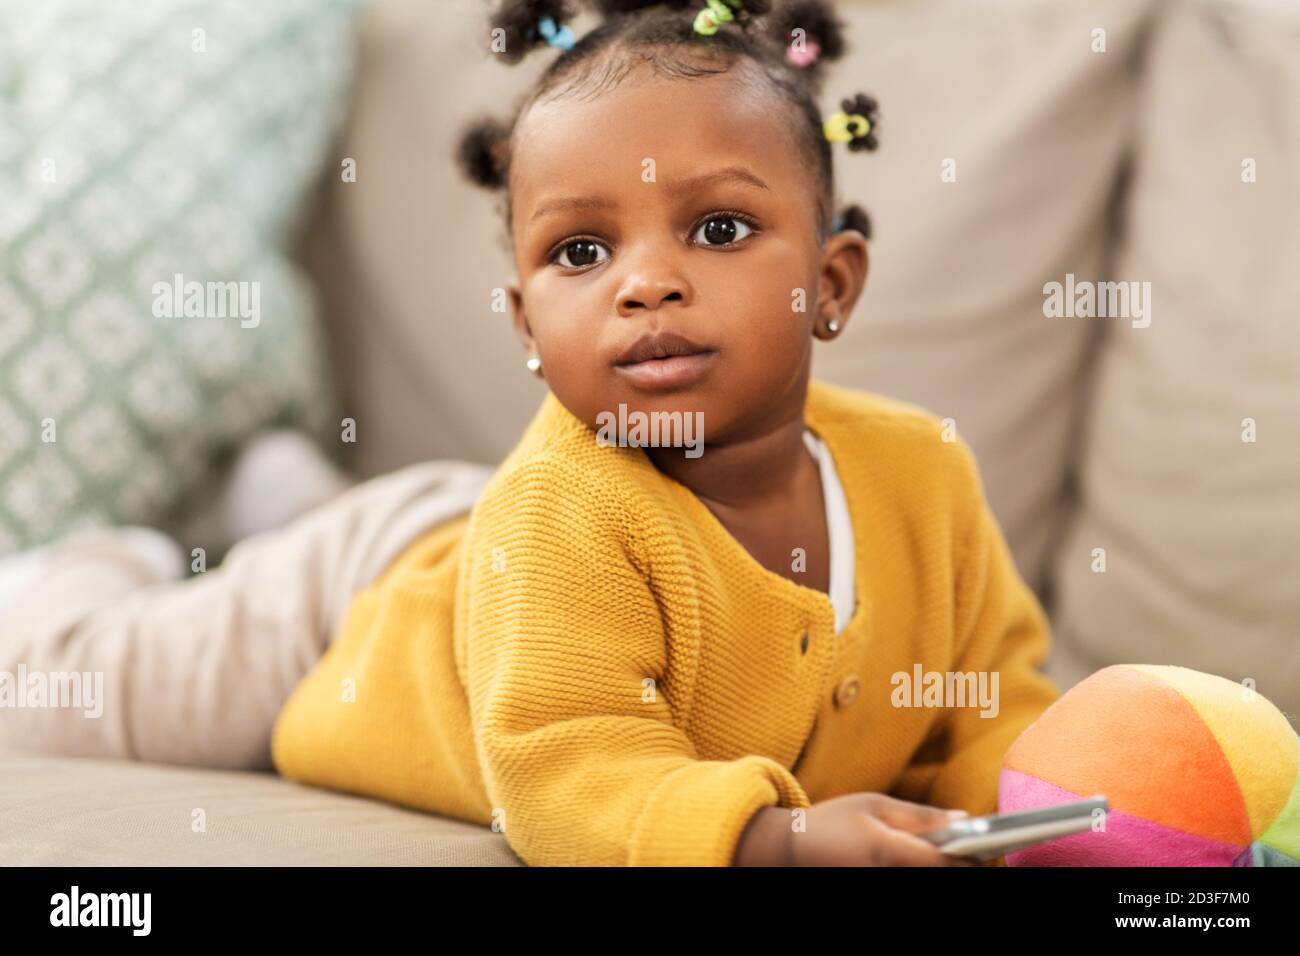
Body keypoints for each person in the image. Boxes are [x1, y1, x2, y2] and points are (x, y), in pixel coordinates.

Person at [0, 0, 1060, 867]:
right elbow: (568, 767)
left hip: (465, 537)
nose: (647, 281)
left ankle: (290, 492)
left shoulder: (922, 473)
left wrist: (1051, 816)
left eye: (719, 228)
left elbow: (990, 705)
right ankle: (94, 559)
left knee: (410, 524)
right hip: (351, 614)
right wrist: (769, 839)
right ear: (526, 325)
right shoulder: (561, 508)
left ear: (829, 285)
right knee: (67, 686)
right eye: (582, 249)